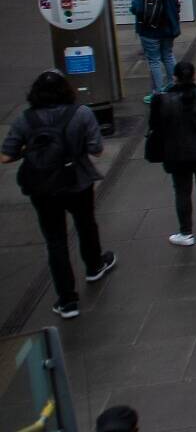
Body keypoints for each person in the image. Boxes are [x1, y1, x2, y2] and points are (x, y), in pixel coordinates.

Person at [1, 71, 114, 318]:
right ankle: (94, 265)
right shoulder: (81, 113)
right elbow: (96, 149)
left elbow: (6, 156)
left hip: (43, 188)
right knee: (86, 224)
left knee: (55, 241)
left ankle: (67, 300)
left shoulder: (25, 119)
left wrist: (29, 149)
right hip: (77, 181)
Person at [144, 61, 196, 247]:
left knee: (182, 191)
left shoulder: (161, 100)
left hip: (176, 154)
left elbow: (154, 127)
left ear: (174, 77)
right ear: (194, 75)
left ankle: (186, 232)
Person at [131, 0, 181, 100]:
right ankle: (173, 84)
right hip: (168, 29)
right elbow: (176, 5)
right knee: (168, 55)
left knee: (154, 60)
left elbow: (136, 8)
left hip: (149, 31)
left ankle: (157, 92)